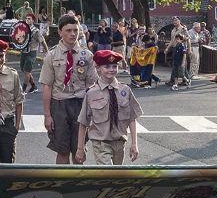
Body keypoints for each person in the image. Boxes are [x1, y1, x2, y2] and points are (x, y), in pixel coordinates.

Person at [40, 14, 98, 164]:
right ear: (60, 32)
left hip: (81, 103)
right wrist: (47, 115)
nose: (73, 34)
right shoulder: (51, 56)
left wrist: (92, 110)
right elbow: (47, 86)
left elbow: (92, 85)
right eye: (68, 30)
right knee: (62, 150)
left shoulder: (87, 56)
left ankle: (76, 184)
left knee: (79, 151)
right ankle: (61, 183)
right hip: (59, 104)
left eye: (75, 30)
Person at [75, 50, 142, 165]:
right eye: (107, 66)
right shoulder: (91, 93)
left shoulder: (125, 90)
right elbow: (83, 122)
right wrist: (80, 148)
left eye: (114, 66)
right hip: (100, 142)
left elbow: (132, 118)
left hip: (119, 142)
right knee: (107, 171)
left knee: (116, 175)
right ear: (98, 68)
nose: (111, 69)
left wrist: (134, 144)